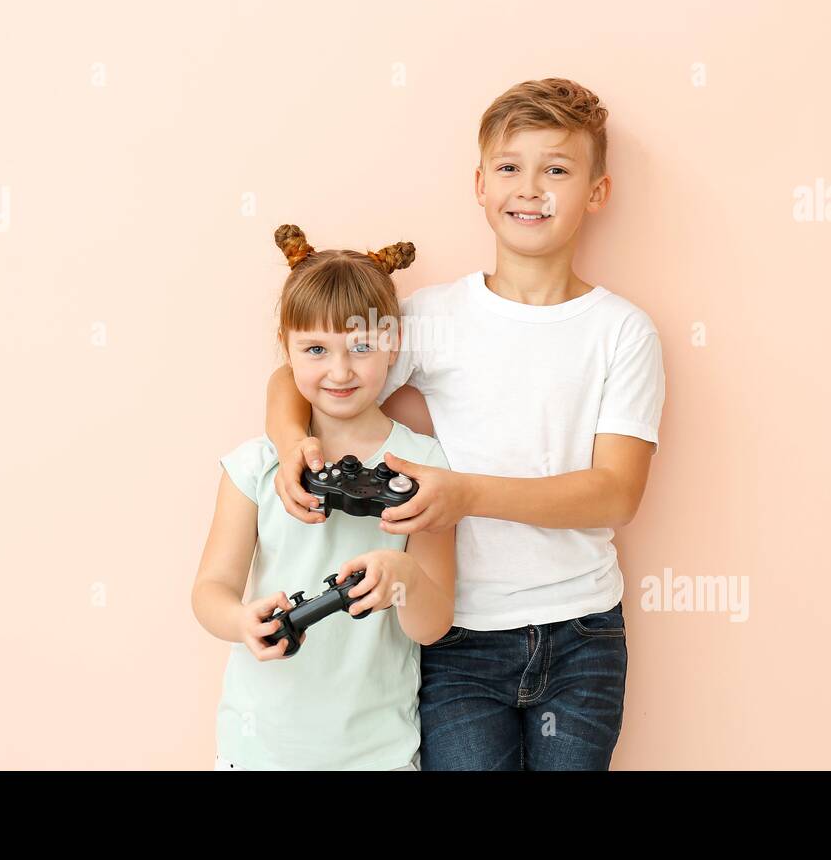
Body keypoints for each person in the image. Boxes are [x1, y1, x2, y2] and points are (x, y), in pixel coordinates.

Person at [265, 78, 666, 770]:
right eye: (510, 168)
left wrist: (467, 494)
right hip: (461, 639)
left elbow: (615, 493)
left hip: (583, 632)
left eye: (558, 170)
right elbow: (301, 376)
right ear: (480, 184)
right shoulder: (433, 318)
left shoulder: (623, 332)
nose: (530, 189)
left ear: (596, 192)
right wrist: (288, 440)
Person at [192, 224, 456, 770]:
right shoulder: (255, 466)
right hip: (258, 749)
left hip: (375, 754)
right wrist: (242, 621)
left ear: (393, 345)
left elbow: (432, 624)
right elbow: (210, 589)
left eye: (361, 347)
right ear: (286, 350)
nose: (340, 371)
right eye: (316, 349)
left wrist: (403, 578)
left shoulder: (425, 466)